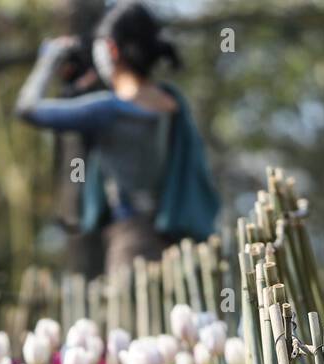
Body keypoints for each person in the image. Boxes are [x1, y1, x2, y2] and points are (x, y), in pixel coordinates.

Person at [15, 1, 219, 276]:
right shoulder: (172, 103)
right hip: (178, 240)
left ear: (110, 49)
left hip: (132, 242)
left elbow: (28, 109)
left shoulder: (110, 109)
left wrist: (49, 58)